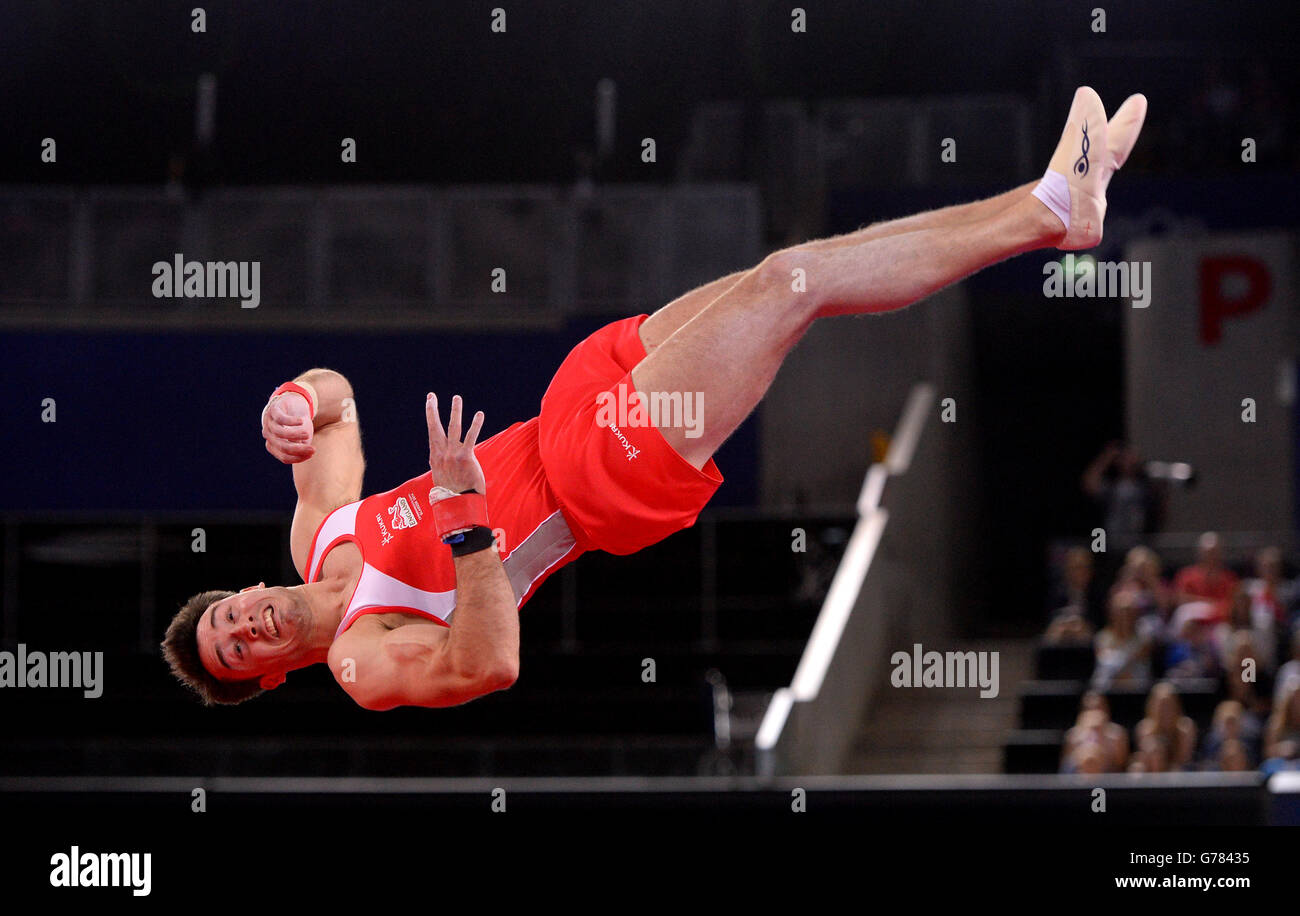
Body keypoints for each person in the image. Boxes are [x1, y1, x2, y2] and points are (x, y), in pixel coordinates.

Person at [161, 88, 1150, 709]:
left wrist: (297, 396)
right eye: (238, 651)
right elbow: (490, 663)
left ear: (240, 590)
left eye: (227, 616)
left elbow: (335, 411)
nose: (245, 626)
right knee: (792, 286)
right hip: (596, 482)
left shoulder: (316, 538)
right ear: (267, 673)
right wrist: (465, 525)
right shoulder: (361, 663)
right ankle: (1046, 212)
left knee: (785, 269)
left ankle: (1048, 210)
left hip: (565, 410)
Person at [1172, 532, 1240, 622]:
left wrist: (1211, 608)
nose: (1211, 557)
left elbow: (1232, 605)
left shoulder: (1229, 578)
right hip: (1194, 623)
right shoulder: (1187, 575)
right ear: (1200, 552)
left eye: (1214, 552)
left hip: (1219, 622)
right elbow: (1181, 600)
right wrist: (1210, 604)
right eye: (1208, 552)